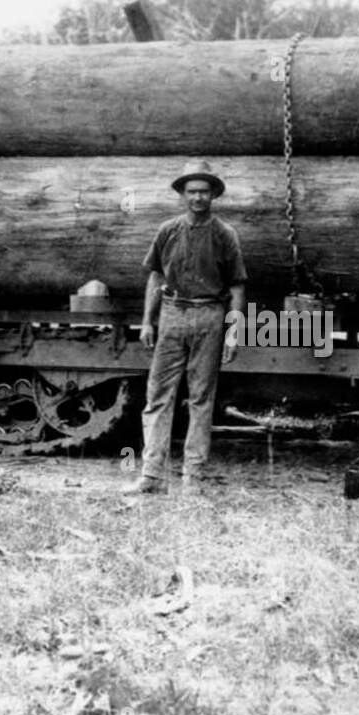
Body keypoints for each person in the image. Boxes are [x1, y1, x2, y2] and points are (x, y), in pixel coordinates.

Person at [122, 160, 247, 496]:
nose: (198, 198)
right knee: (158, 397)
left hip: (209, 316)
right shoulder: (168, 231)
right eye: (192, 191)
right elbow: (156, 276)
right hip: (172, 314)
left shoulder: (225, 235)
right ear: (182, 195)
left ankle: (194, 478)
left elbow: (236, 286)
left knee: (201, 399)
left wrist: (233, 330)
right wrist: (147, 321)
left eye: (204, 192)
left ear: (213, 196)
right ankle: (152, 476)